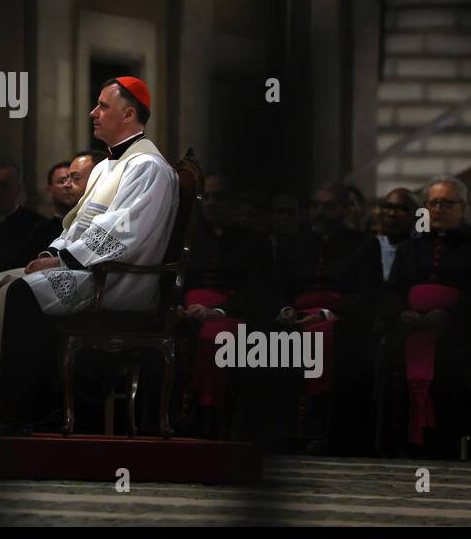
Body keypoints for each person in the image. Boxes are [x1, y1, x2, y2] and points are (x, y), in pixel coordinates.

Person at [0, 77, 178, 433]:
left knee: (21, 294)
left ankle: (18, 412)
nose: (93, 113)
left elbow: (123, 232)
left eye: (103, 106)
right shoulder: (106, 167)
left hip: (118, 279)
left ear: (129, 113)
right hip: (89, 268)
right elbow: (80, 224)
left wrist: (64, 261)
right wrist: (51, 252)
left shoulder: (150, 167)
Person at [374, 177, 471, 457]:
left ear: (463, 207)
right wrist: (400, 312)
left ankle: (441, 443)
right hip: (408, 331)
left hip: (454, 332)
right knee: (387, 352)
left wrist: (449, 316)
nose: (438, 209)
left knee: (448, 361)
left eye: (446, 203)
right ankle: (397, 444)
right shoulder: (409, 249)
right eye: (433, 203)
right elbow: (392, 290)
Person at [273, 182, 383, 454]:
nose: (320, 212)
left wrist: (324, 315)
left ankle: (318, 430)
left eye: (329, 206)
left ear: (345, 210)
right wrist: (285, 310)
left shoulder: (364, 245)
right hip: (295, 317)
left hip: (341, 320)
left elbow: (368, 294)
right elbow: (277, 287)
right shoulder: (292, 244)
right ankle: (282, 429)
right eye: (316, 206)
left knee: (320, 337)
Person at [175, 173, 271, 437]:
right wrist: (177, 306)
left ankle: (208, 417)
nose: (212, 202)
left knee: (218, 338)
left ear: (233, 202)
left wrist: (217, 311)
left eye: (219, 197)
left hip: (228, 312)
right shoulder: (185, 239)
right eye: (206, 196)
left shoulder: (255, 241)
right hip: (185, 308)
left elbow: (257, 289)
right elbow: (173, 279)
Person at [377, 188, 418, 281]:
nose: (391, 214)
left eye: (401, 209)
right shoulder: (373, 246)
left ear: (416, 215)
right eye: (387, 207)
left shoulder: (422, 249)